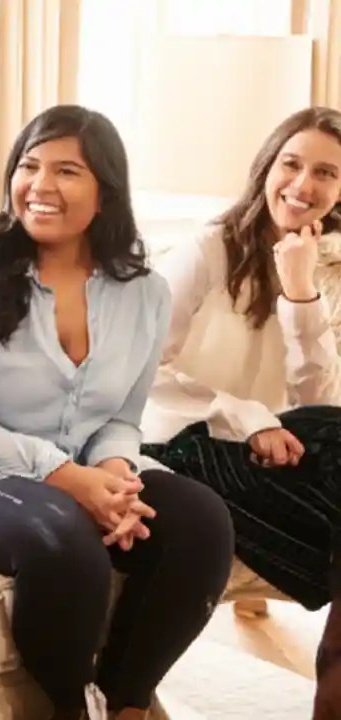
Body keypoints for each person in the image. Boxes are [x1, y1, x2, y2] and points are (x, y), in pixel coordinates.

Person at [0, 105, 235, 720]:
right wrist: (71, 480)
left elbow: (123, 418)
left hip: (75, 476)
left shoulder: (144, 293)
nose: (40, 186)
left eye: (66, 171)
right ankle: (70, 708)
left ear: (105, 191)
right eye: (29, 165)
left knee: (200, 520)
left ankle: (128, 703)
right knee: (61, 531)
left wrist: (116, 477)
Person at [138, 106, 341, 719]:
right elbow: (140, 371)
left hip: (278, 447)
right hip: (184, 440)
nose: (304, 186)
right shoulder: (206, 249)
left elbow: (321, 406)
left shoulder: (327, 264)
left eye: (326, 173)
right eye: (292, 164)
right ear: (266, 168)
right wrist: (246, 417)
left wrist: (301, 291)